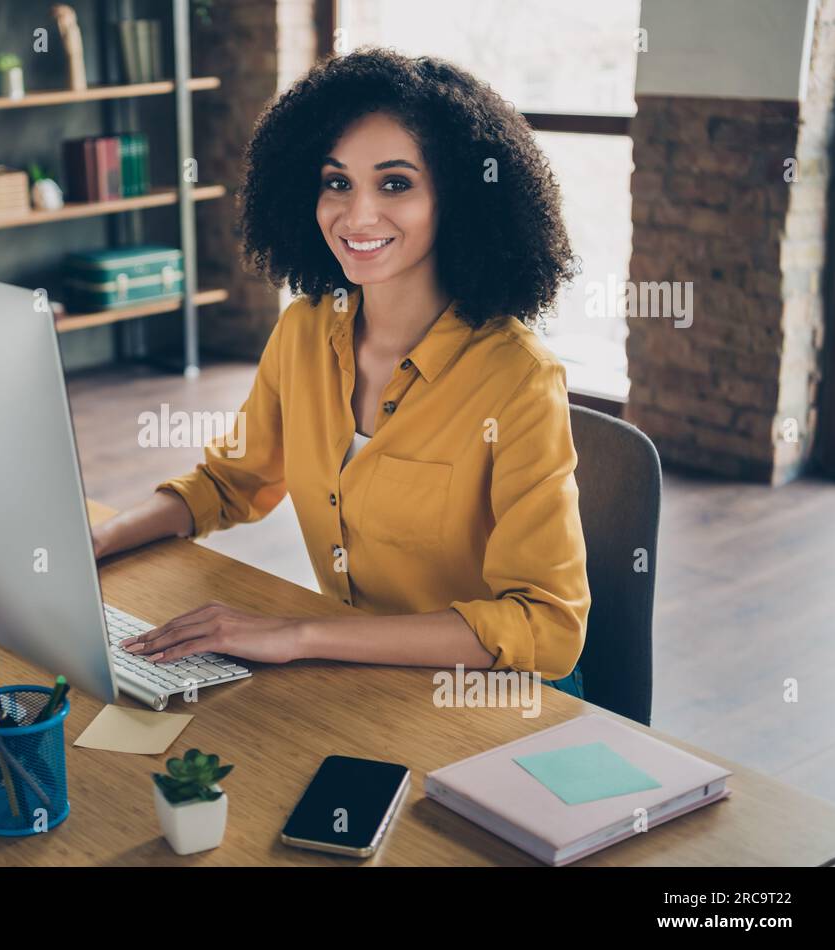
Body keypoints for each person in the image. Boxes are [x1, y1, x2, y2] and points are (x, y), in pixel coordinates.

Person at [90, 48, 590, 694]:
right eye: (337, 182)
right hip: (360, 679)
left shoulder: (519, 380)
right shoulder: (303, 331)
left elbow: (546, 627)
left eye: (396, 183)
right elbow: (225, 484)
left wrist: (299, 635)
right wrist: (96, 542)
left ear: (455, 197)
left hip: (493, 699)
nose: (357, 216)